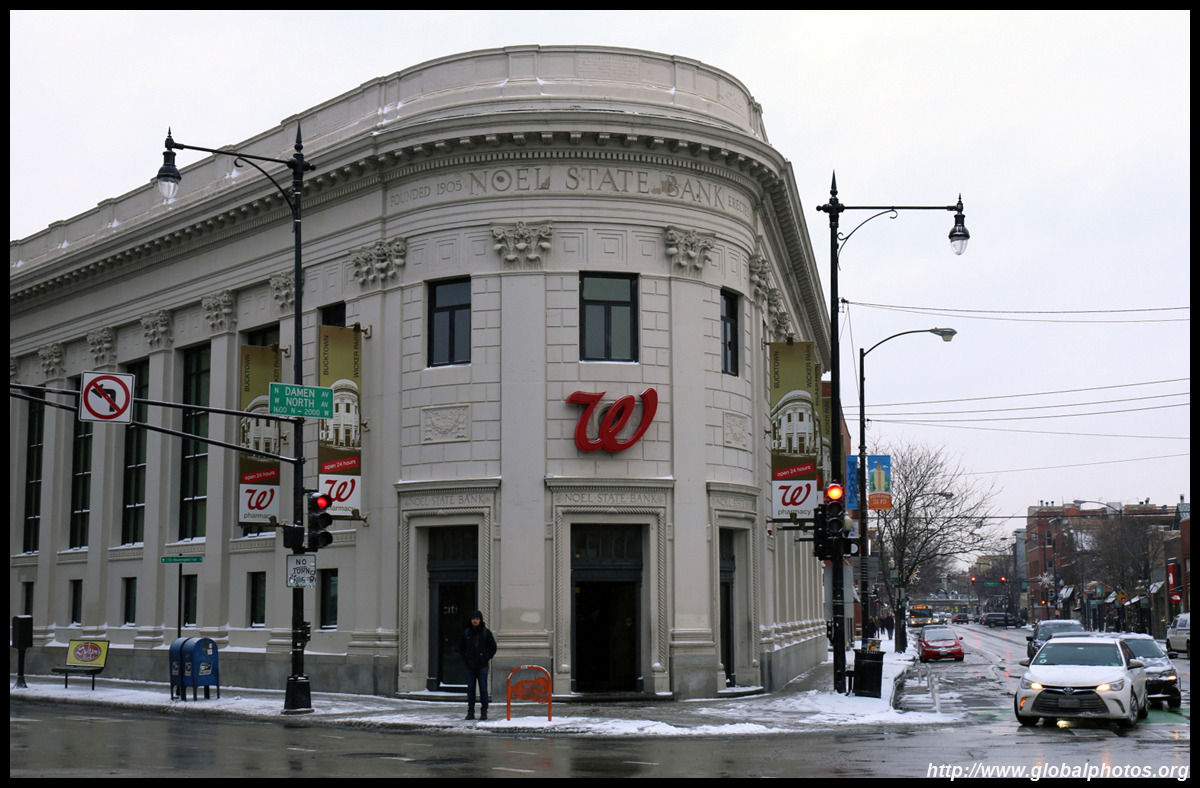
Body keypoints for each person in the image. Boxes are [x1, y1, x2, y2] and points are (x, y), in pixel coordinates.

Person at [459, 609, 497, 720]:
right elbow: (461, 647)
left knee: (483, 689)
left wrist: (486, 657)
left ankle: (484, 712)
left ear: (480, 620)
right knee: (471, 689)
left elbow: (493, 647)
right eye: (473, 619)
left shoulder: (486, 633)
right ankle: (470, 712)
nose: (475, 621)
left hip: (482, 666)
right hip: (470, 666)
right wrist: (465, 658)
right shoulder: (466, 633)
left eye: (477, 619)